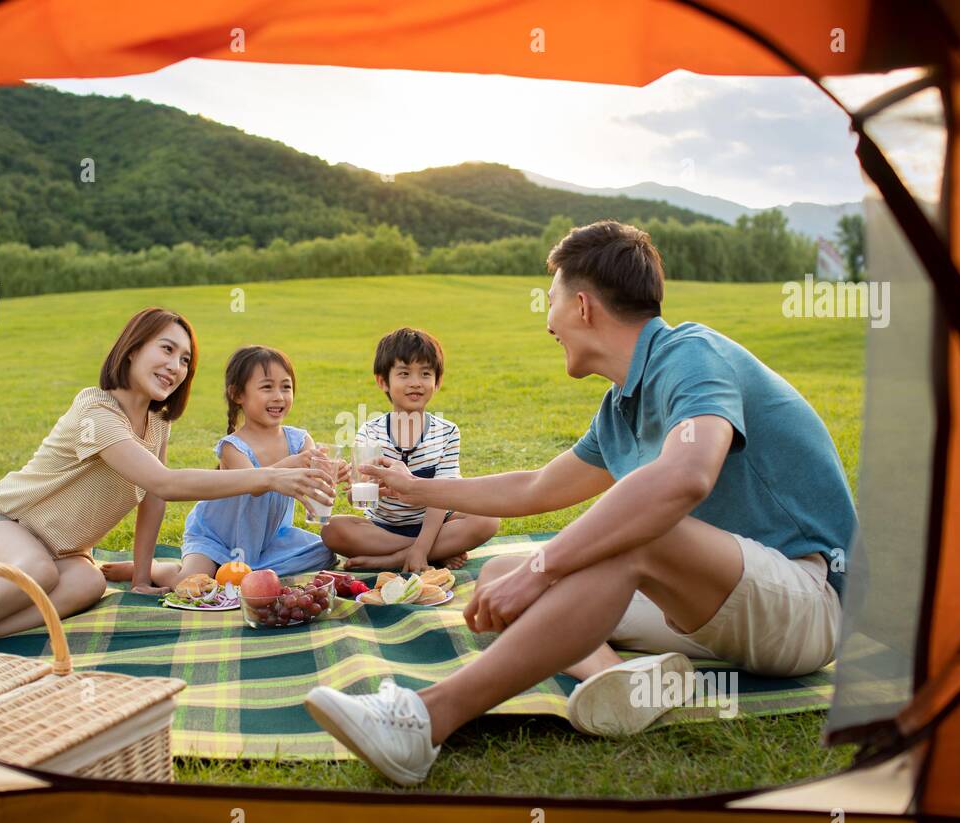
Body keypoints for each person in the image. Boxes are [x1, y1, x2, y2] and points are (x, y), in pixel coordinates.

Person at [303, 220, 857, 786]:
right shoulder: (620, 405)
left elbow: (685, 476)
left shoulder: (691, 356)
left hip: (804, 604)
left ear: (584, 306)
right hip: (715, 603)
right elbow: (536, 488)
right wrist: (414, 488)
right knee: (501, 571)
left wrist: (550, 563)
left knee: (631, 533)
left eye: (552, 302)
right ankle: (628, 682)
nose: (549, 323)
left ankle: (425, 720)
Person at [0, 308, 334, 682]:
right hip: (1, 524)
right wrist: (270, 477)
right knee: (34, 570)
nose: (176, 366)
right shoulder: (96, 410)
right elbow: (166, 482)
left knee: (89, 585)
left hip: (66, 553)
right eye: (165, 350)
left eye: (185, 359)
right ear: (131, 350)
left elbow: (153, 499)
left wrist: (142, 578)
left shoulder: (157, 422)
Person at [102, 345, 343, 588]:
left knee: (325, 554)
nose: (279, 396)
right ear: (238, 395)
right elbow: (255, 485)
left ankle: (244, 572)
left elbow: (314, 486)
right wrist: (294, 464)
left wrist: (330, 475)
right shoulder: (233, 447)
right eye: (267, 387)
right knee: (190, 584)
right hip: (215, 539)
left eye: (286, 387)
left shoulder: (299, 440)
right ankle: (159, 570)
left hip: (266, 540)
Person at [321, 328, 498, 572]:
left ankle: (396, 559)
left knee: (488, 520)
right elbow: (356, 498)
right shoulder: (370, 432)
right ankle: (436, 551)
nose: (415, 383)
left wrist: (422, 546)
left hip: (437, 524)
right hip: (384, 529)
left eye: (425, 374)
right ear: (383, 381)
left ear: (437, 382)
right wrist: (369, 491)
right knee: (332, 530)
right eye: (404, 374)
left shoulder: (447, 432)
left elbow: (443, 496)